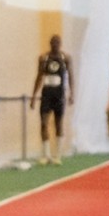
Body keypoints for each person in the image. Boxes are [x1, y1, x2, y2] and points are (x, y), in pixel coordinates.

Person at [30, 35, 73, 165]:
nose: (55, 44)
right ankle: (46, 155)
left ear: (60, 44)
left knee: (58, 123)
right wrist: (33, 96)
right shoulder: (44, 58)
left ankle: (57, 155)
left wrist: (72, 93)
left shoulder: (66, 58)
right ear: (50, 43)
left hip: (59, 93)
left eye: (58, 42)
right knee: (44, 122)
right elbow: (39, 76)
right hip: (47, 93)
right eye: (53, 42)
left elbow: (71, 76)